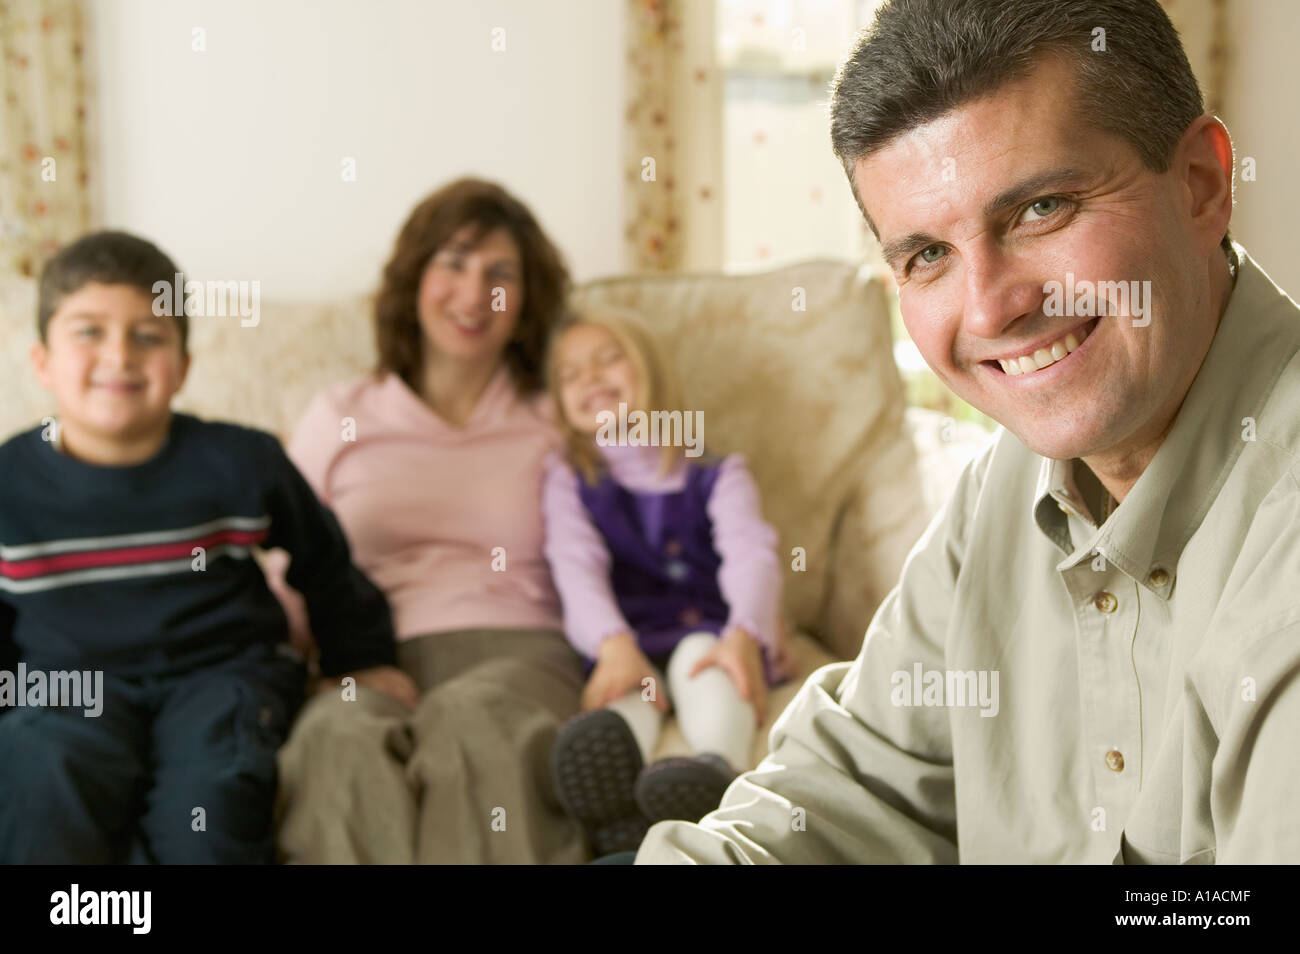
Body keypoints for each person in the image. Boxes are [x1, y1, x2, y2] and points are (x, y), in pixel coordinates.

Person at [637, 0, 1300, 863]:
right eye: (927, 255)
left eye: (1042, 208)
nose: (989, 310)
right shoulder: (1008, 482)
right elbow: (843, 794)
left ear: (1202, 185)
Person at [0, 231, 401, 863]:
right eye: (89, 332)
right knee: (40, 778)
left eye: (148, 336)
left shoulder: (243, 461)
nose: (119, 356)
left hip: (219, 673)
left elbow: (324, 562)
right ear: (42, 361)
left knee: (211, 806)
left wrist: (361, 660)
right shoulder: (9, 483)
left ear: (184, 365)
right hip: (66, 684)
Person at [273, 178, 590, 864]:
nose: (474, 293)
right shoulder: (340, 415)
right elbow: (284, 567)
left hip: (521, 654)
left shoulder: (560, 416)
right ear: (414, 278)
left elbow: (647, 513)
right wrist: (299, 670)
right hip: (369, 657)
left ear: (526, 300)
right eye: (453, 263)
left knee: (473, 719)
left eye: (500, 274)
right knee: (335, 736)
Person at [540, 309, 784, 855]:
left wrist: (745, 633)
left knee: (706, 664)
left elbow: (751, 554)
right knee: (628, 695)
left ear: (650, 370)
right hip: (630, 645)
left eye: (609, 359)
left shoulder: (717, 472)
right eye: (570, 374)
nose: (590, 378)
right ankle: (616, 811)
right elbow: (574, 566)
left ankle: (715, 770)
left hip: (710, 631)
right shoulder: (569, 480)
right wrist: (612, 645)